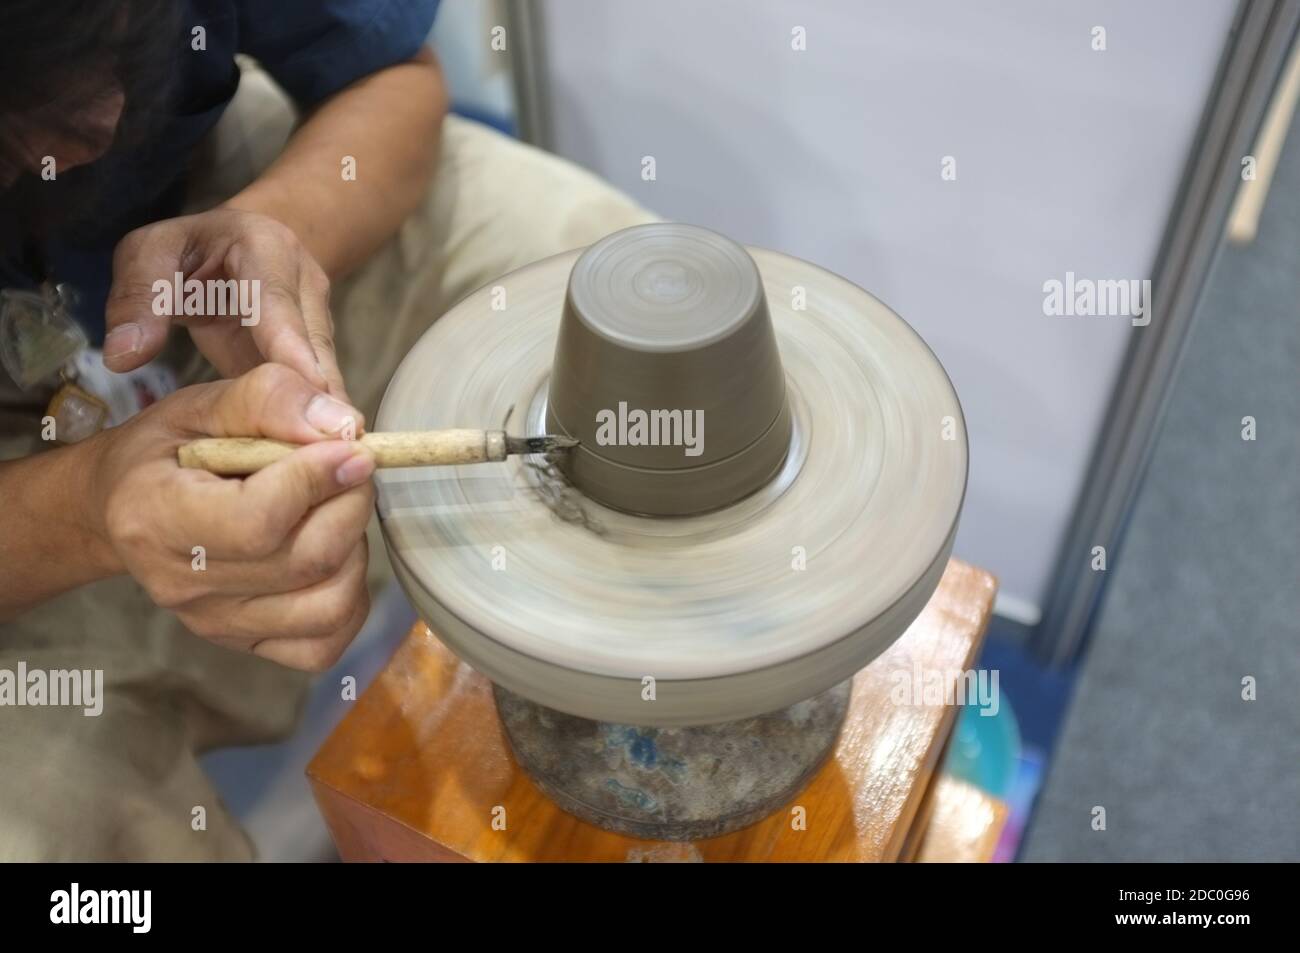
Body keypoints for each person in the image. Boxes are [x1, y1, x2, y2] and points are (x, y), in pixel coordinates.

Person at [0, 0, 653, 860]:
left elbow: (393, 77)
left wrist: (287, 227)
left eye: (124, 40)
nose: (102, 127)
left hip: (207, 229)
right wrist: (88, 504)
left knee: (599, 284)